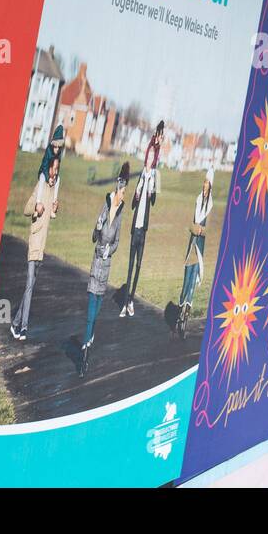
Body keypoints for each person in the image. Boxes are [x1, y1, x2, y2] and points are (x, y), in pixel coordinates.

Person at [81, 161, 130, 377]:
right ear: (117, 191)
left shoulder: (120, 214)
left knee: (98, 305)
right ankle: (85, 349)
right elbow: (93, 237)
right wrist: (97, 228)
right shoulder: (107, 206)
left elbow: (118, 241)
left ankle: (90, 335)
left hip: (106, 263)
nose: (124, 194)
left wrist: (110, 249)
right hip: (96, 263)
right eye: (123, 190)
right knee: (91, 307)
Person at [11, 156, 59, 340]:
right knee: (29, 285)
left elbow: (52, 215)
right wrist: (36, 208)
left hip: (42, 245)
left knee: (30, 287)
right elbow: (26, 209)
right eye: (53, 169)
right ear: (48, 170)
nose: (55, 172)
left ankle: (15, 323)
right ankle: (24, 327)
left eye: (57, 169)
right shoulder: (39, 187)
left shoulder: (52, 189)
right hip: (34, 242)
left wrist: (55, 208)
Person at [120, 123, 163, 319]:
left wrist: (152, 189)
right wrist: (136, 194)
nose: (151, 159)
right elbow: (132, 204)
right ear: (147, 158)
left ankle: (131, 301)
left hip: (143, 230)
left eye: (154, 158)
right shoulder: (141, 177)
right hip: (134, 228)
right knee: (130, 265)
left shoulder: (154, 177)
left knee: (138, 266)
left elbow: (153, 202)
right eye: (150, 157)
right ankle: (125, 302)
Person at [177, 168, 214, 324]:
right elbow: (190, 223)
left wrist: (200, 229)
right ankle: (180, 312)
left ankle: (185, 319)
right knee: (186, 283)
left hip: (199, 251)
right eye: (204, 183)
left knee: (192, 285)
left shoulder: (210, 206)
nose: (205, 186)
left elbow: (208, 229)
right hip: (190, 249)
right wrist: (195, 228)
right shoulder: (197, 200)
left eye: (207, 184)